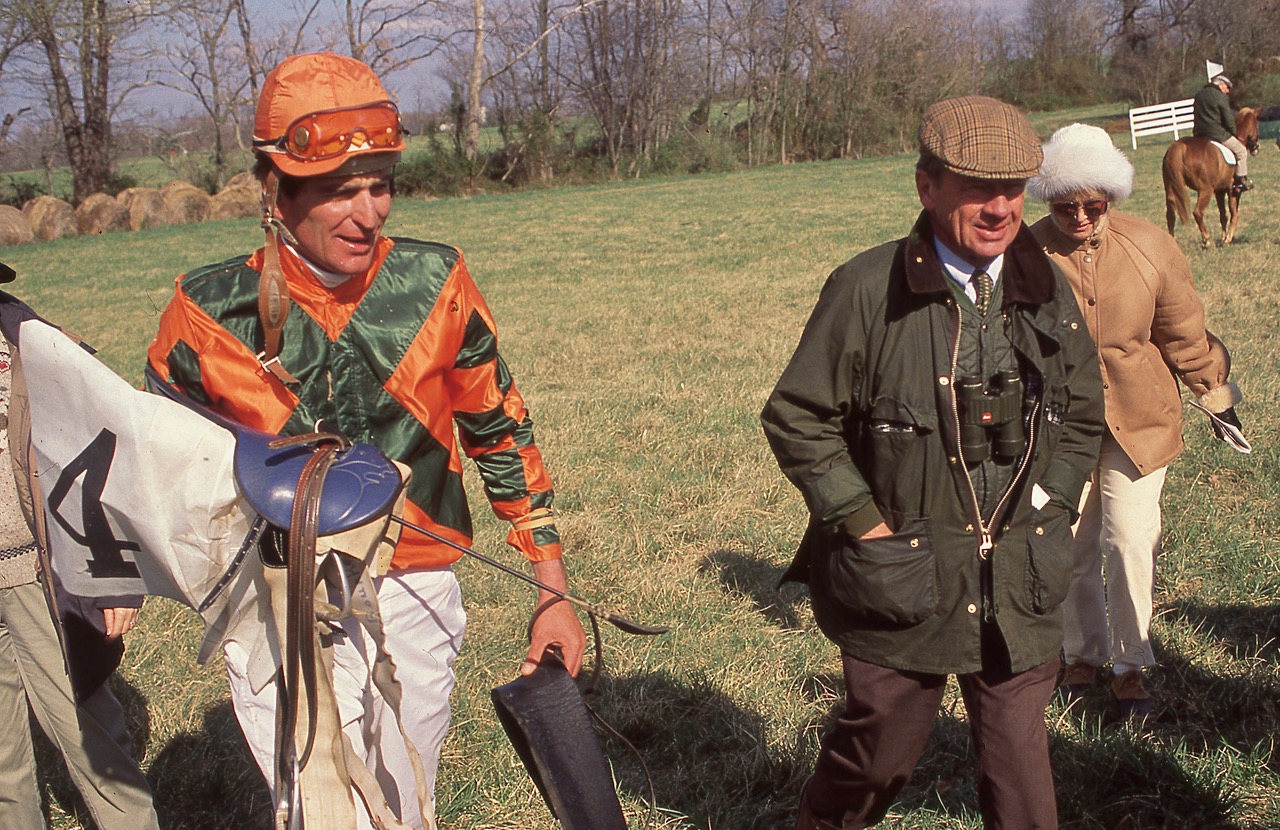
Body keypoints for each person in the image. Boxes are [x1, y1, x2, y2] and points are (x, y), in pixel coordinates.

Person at [145, 52, 586, 827]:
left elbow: (499, 426)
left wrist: (552, 587)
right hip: (273, 600)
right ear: (273, 191)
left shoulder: (435, 283)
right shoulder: (207, 313)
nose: (369, 212)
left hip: (417, 587)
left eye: (380, 184)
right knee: (318, 810)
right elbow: (154, 466)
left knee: (405, 799)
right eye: (338, 190)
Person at [762, 96, 1104, 830]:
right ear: (926, 186)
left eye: (1013, 188)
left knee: (1023, 782)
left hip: (1020, 572)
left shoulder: (1049, 290)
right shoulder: (864, 289)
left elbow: (1080, 411)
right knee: (879, 757)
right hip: (901, 576)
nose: (1000, 207)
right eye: (978, 187)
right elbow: (797, 415)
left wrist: (1058, 500)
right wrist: (861, 522)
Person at [1027, 124, 1243, 719]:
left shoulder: (1150, 245)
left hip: (1140, 421)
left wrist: (1215, 396)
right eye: (1064, 204)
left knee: (1128, 541)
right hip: (1058, 429)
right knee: (1068, 547)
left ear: (1111, 198)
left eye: (1091, 205)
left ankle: (1130, 667)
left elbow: (1183, 332)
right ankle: (1080, 656)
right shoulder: (1025, 253)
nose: (1078, 217)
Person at [0, 270, 159, 830]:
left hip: (36, 576)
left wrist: (114, 577)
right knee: (1, 766)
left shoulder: (33, 345)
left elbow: (104, 458)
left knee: (91, 742)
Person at [1193, 74, 1254, 193]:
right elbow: (1229, 120)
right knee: (1241, 151)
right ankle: (1240, 183)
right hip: (1216, 134)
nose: (1227, 91)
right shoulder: (1220, 97)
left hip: (1199, 134)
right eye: (1227, 88)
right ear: (1220, 84)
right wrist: (1234, 133)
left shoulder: (1199, 95)